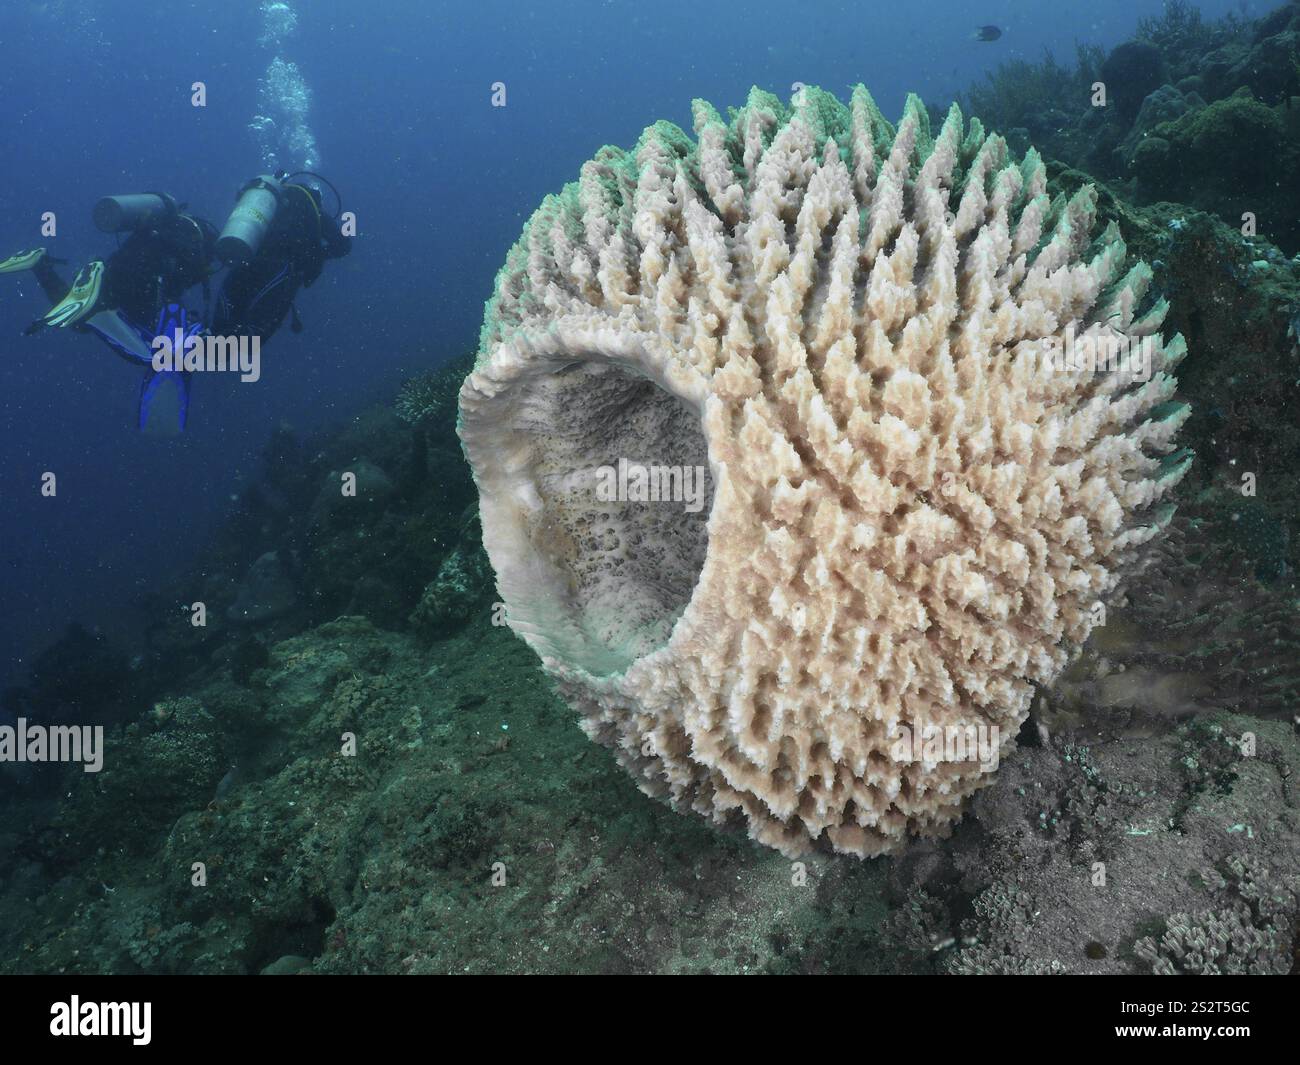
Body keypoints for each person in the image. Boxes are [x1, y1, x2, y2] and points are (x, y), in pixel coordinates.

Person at [0, 193, 218, 432]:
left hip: (121, 268)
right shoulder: (193, 247)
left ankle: (41, 264)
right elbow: (172, 291)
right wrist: (191, 331)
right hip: (139, 280)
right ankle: (99, 302)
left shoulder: (161, 230)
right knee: (146, 350)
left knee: (84, 320)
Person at [211, 171, 351, 343]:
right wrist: (317, 255)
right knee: (255, 334)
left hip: (246, 261)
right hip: (282, 268)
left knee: (222, 321)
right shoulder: (313, 210)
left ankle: (200, 343)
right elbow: (343, 246)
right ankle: (235, 338)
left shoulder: (272, 205)